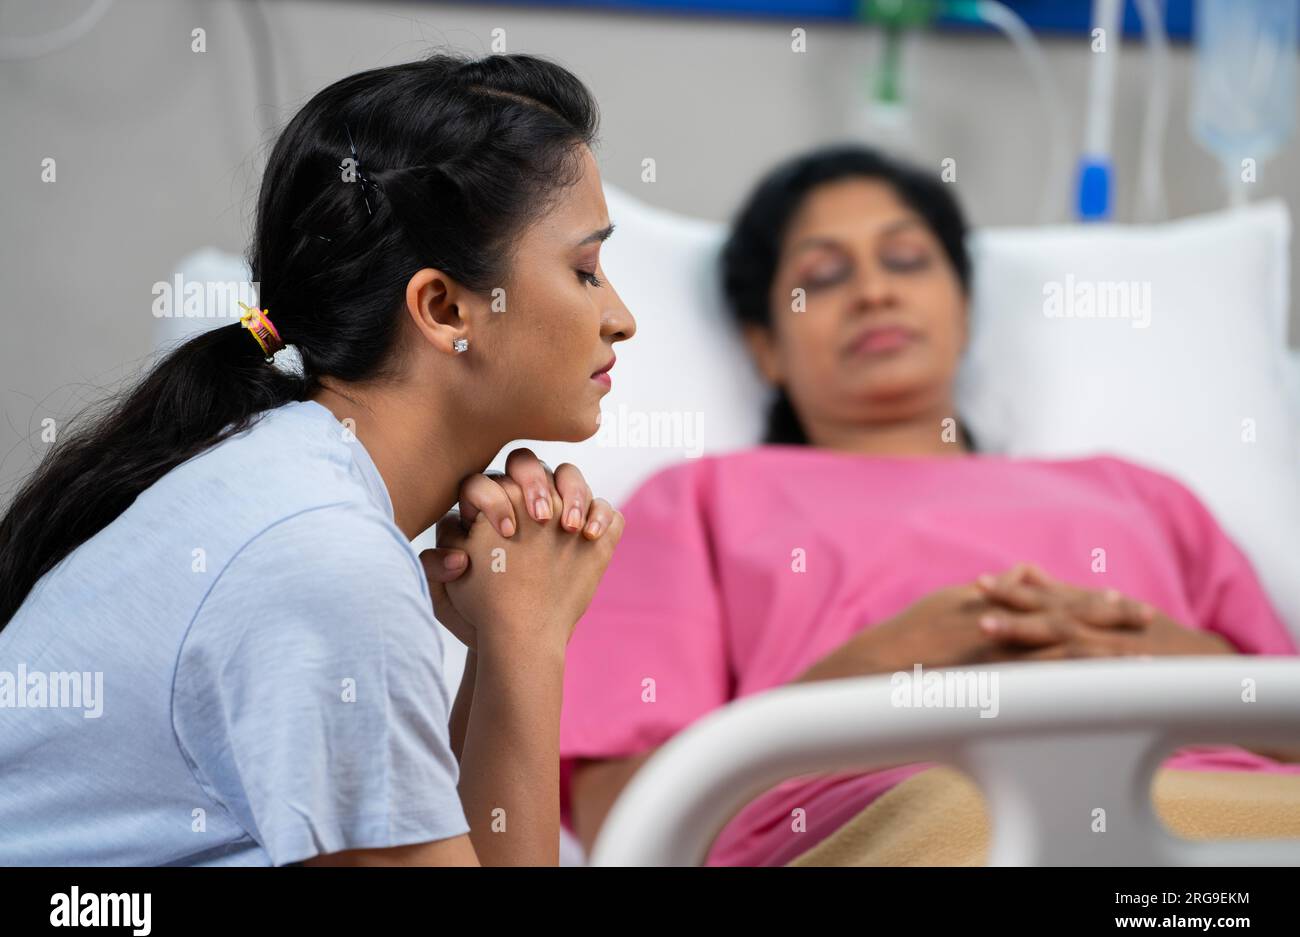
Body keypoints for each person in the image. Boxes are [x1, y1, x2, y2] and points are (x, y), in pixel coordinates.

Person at [561, 144, 1297, 867]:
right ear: (766, 349)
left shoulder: (1142, 496)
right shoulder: (700, 500)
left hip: (1227, 825)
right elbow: (628, 822)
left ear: (966, 310)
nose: (875, 293)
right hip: (914, 819)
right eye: (821, 277)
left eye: (907, 260)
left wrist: (1172, 661)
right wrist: (893, 663)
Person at [0, 52, 635, 866]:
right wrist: (532, 641)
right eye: (585, 271)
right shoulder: (321, 559)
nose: (621, 318)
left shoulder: (286, 484)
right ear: (443, 308)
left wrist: (510, 640)